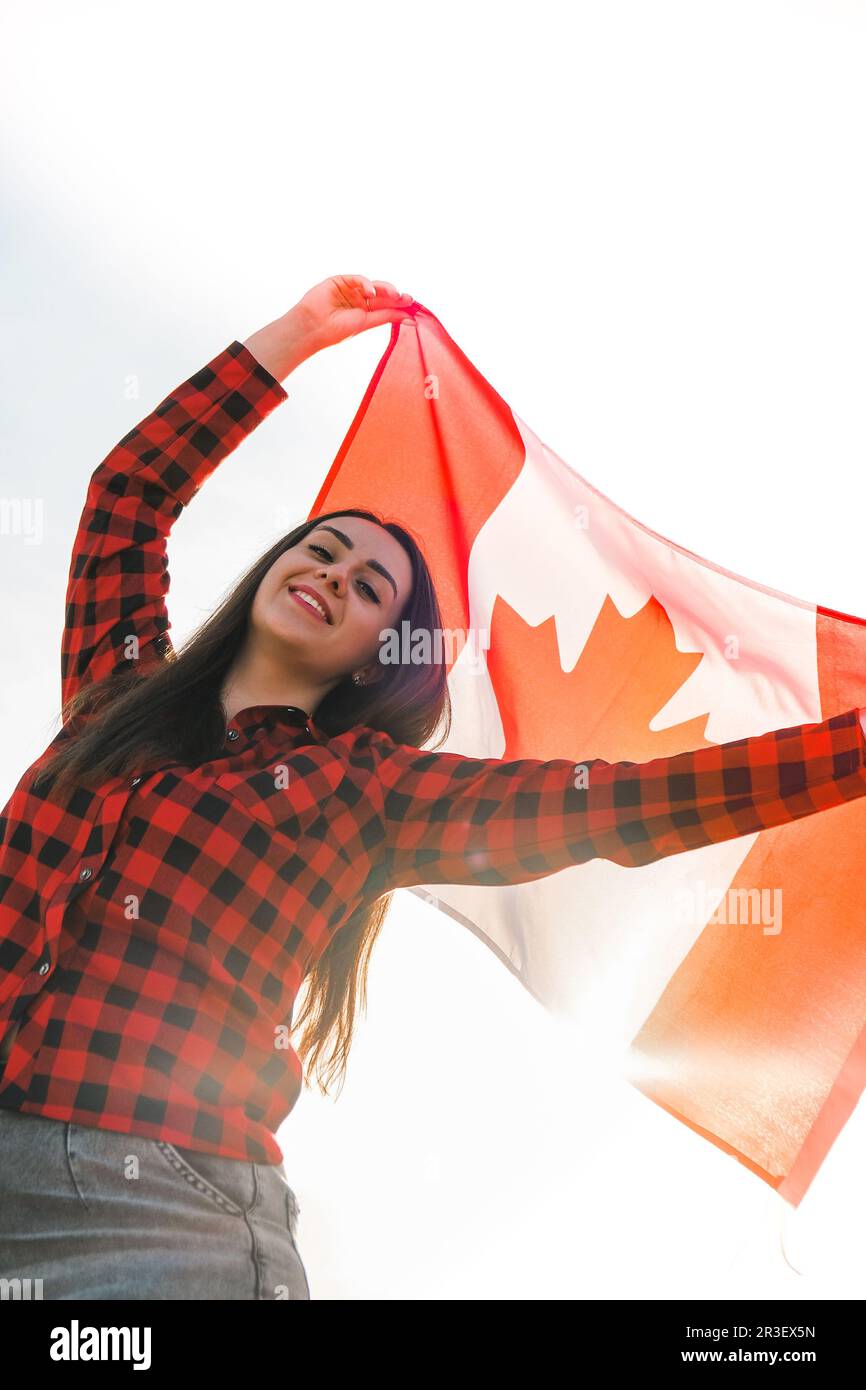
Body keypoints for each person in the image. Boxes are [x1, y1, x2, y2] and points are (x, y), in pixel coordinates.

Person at [2, 273, 866, 1302]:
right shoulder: (118, 690)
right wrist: (299, 333)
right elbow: (127, 495)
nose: (330, 572)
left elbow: (622, 804)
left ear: (381, 654)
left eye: (370, 586)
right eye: (319, 548)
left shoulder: (365, 791)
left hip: (160, 1216)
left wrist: (851, 743)